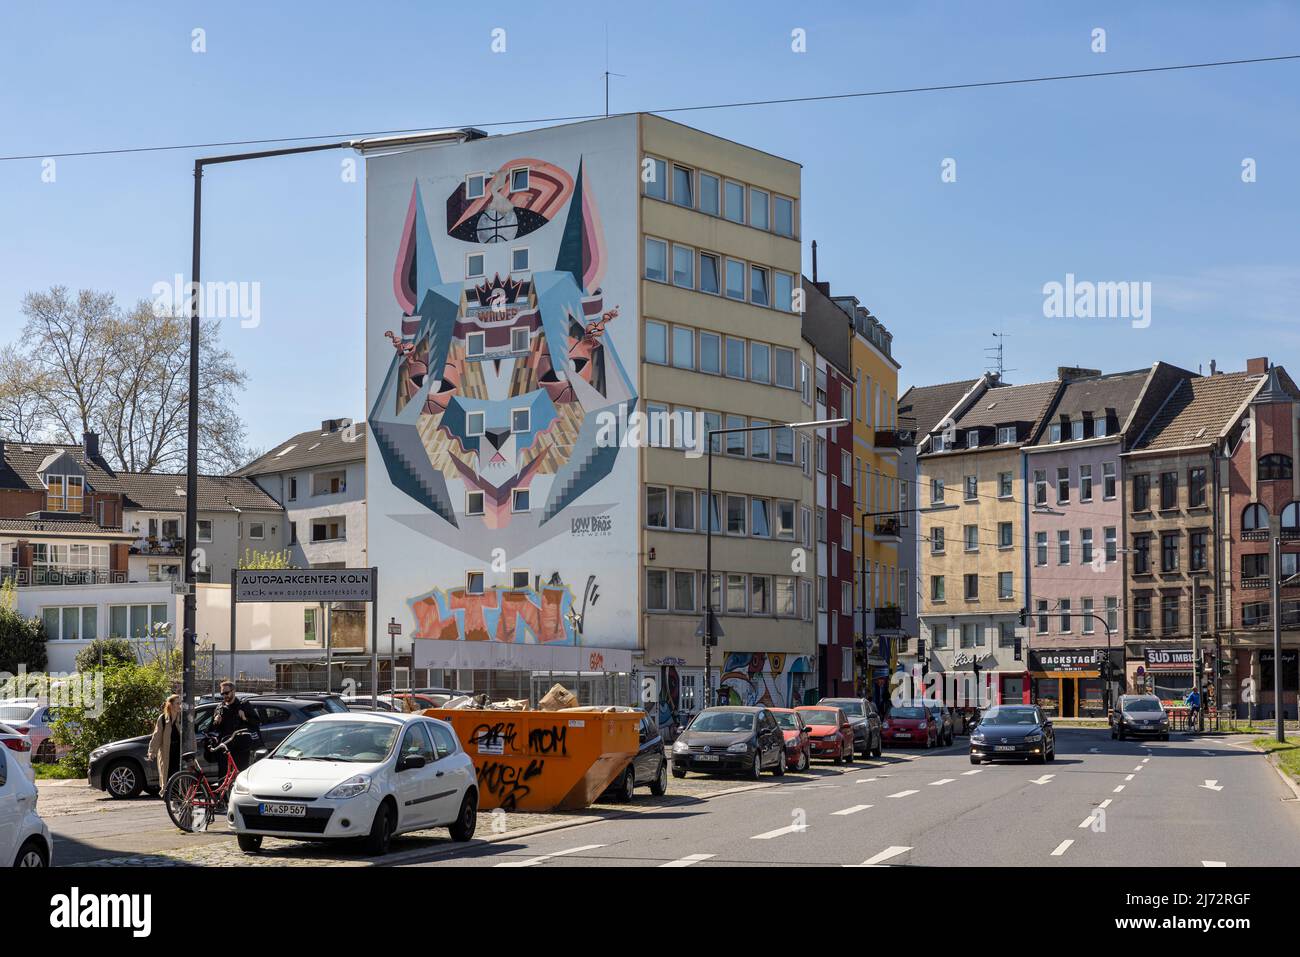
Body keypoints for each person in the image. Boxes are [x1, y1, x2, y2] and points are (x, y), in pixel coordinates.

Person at [208, 680, 261, 772]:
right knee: (223, 775)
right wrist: (216, 721)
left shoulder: (243, 705)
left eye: (227, 693)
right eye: (222, 693)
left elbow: (256, 723)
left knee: (240, 773)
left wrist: (245, 718)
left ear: (233, 691)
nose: (224, 695)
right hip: (225, 746)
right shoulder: (219, 707)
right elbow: (212, 729)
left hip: (241, 747)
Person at [146, 694, 183, 794]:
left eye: (181, 703)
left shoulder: (183, 719)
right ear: (170, 705)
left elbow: (190, 735)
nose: (180, 706)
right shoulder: (163, 719)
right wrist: (152, 752)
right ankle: (173, 798)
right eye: (177, 703)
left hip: (180, 753)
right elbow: (157, 736)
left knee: (181, 776)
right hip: (167, 753)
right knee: (169, 776)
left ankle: (180, 799)